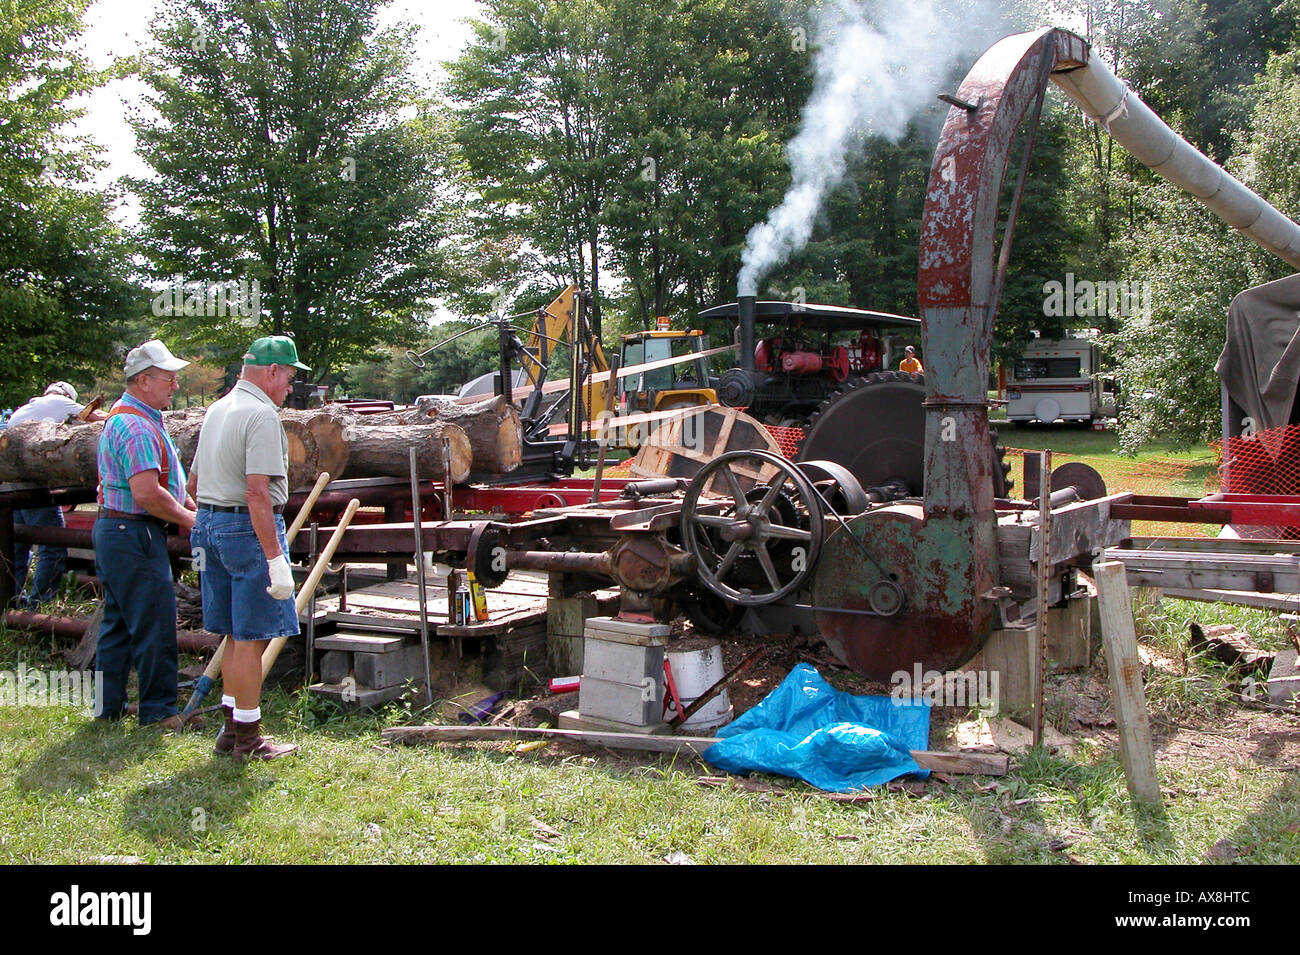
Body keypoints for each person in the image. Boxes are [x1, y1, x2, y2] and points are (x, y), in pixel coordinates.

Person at [189, 336, 309, 760]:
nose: (290, 387)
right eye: (290, 376)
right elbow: (257, 492)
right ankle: (248, 739)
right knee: (250, 637)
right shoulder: (260, 415)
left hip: (208, 523)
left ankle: (230, 732)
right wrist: (275, 557)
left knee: (234, 636)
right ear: (272, 371)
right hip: (247, 528)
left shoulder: (217, 409)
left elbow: (193, 485)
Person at [94, 341, 196, 729]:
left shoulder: (135, 417)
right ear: (142, 380)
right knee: (154, 622)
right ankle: (158, 712)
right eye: (168, 378)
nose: (174, 385)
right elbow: (147, 493)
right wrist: (191, 519)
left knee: (118, 623)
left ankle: (108, 708)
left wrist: (186, 504)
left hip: (118, 531)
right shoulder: (136, 426)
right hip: (134, 531)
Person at [9, 383, 108, 607]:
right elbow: (97, 416)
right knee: (52, 547)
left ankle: (10, 601)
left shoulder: (25, 408)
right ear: (67, 396)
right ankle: (39, 604)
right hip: (35, 486)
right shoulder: (59, 402)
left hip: (14, 484)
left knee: (17, 546)